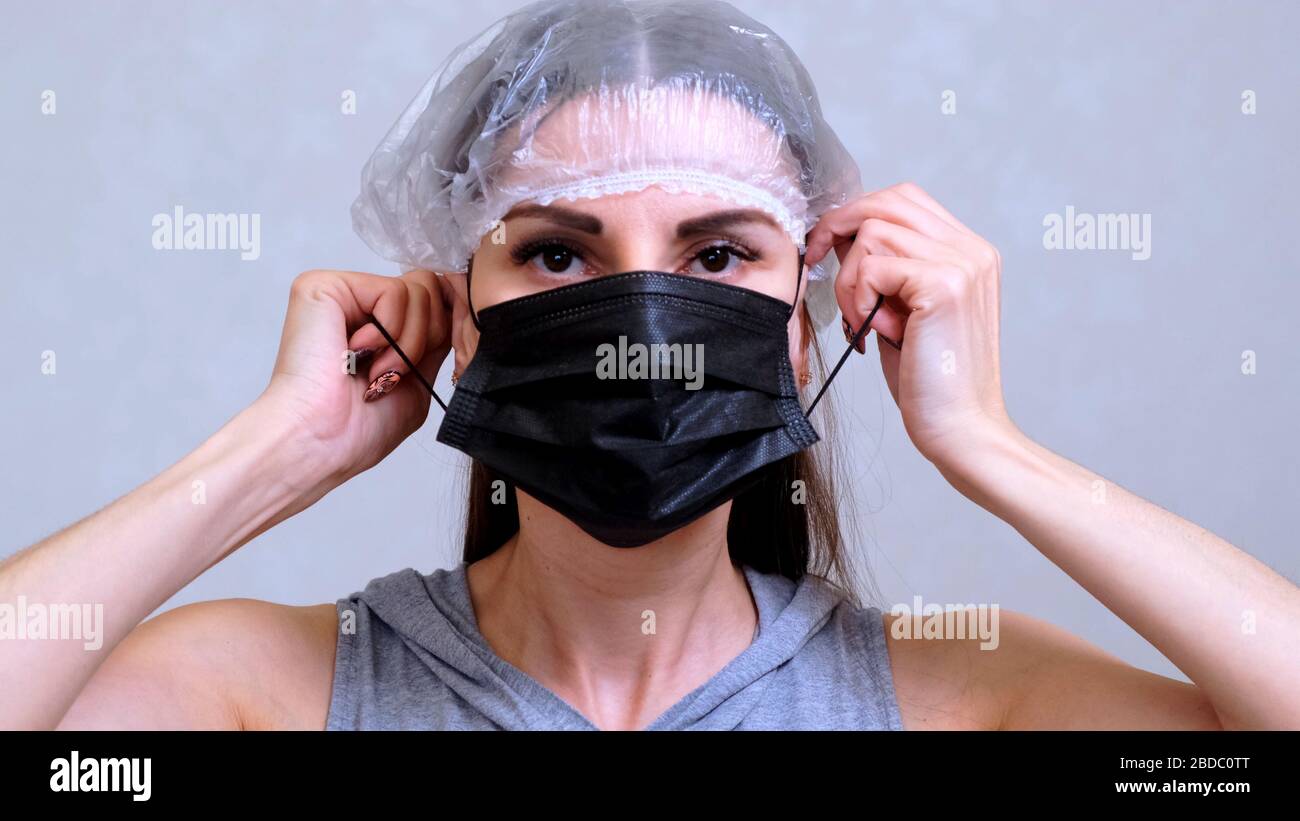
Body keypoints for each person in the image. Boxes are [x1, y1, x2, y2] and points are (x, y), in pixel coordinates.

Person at [3, 0, 1297, 731]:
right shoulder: (269, 695)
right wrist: (272, 453)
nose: (641, 313)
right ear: (463, 309)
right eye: (561, 256)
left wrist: (993, 449)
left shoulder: (962, 700)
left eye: (718, 253)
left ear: (807, 319)